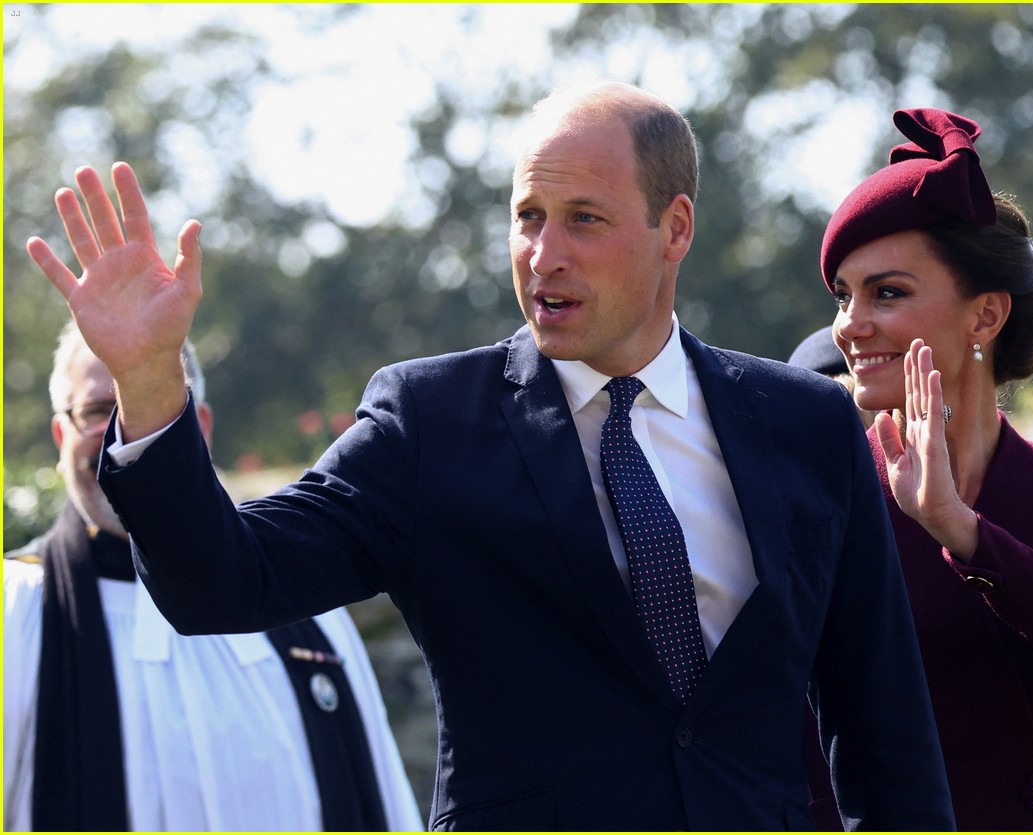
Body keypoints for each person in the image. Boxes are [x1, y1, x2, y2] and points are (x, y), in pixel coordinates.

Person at [27, 81, 956, 830]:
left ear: (675, 228)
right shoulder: (428, 421)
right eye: (527, 217)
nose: (542, 254)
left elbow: (886, 738)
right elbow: (219, 581)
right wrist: (150, 383)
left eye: (584, 219)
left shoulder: (807, 424)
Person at [797, 107, 1033, 830]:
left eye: (887, 292)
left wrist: (960, 529)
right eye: (843, 295)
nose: (848, 324)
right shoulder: (816, 489)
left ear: (985, 316)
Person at [3, 322, 423, 832]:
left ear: (198, 426)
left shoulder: (307, 608)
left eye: (147, 403)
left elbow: (385, 798)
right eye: (96, 411)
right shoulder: (17, 610)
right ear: (59, 434)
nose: (119, 431)